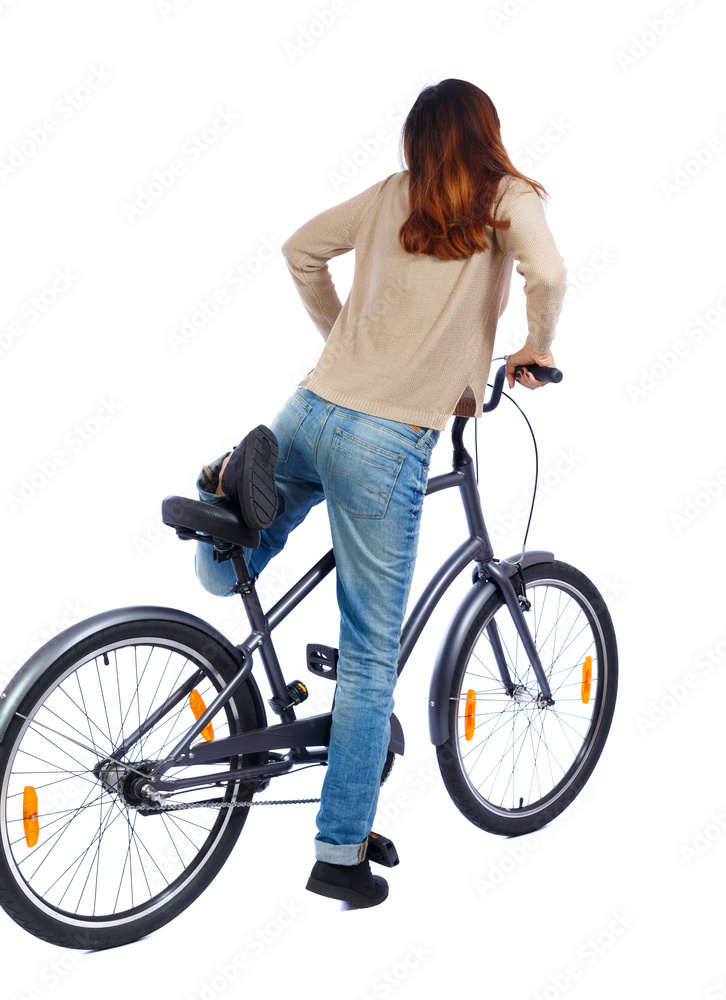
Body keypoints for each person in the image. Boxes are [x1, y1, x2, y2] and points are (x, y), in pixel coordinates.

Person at [193, 78, 567, 907]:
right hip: (389, 437)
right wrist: (534, 349)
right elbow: (548, 270)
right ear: (486, 134)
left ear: (417, 141)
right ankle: (338, 854)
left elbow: (299, 248)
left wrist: (345, 340)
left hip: (309, 408)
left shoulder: (391, 196)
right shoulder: (505, 198)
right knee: (368, 660)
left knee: (238, 561)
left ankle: (218, 518)